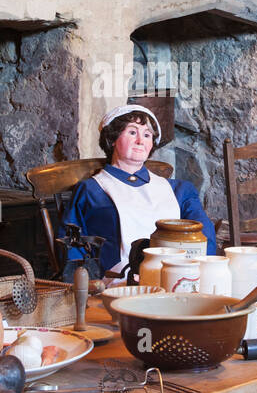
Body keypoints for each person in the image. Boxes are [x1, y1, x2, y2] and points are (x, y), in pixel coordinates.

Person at [60, 104, 216, 279]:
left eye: (147, 135)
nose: (141, 141)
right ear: (112, 139)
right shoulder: (91, 190)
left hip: (177, 280)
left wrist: (194, 274)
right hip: (116, 287)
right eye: (132, 132)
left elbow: (204, 237)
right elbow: (72, 248)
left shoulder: (180, 190)